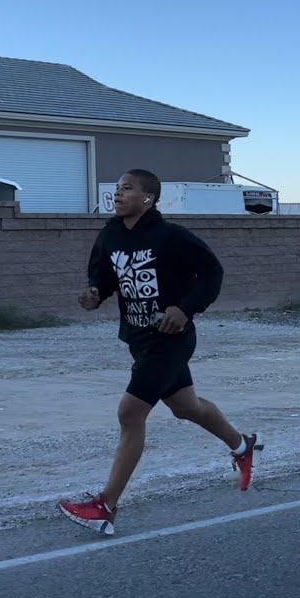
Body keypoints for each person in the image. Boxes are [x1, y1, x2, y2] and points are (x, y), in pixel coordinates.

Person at [58, 169, 261, 535]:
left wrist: (185, 309)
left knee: (130, 412)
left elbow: (212, 272)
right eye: (117, 188)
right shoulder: (110, 235)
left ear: (149, 198)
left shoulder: (171, 237)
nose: (118, 194)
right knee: (187, 408)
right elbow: (103, 279)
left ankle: (105, 506)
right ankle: (240, 445)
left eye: (128, 188)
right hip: (138, 338)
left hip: (172, 338)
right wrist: (94, 295)